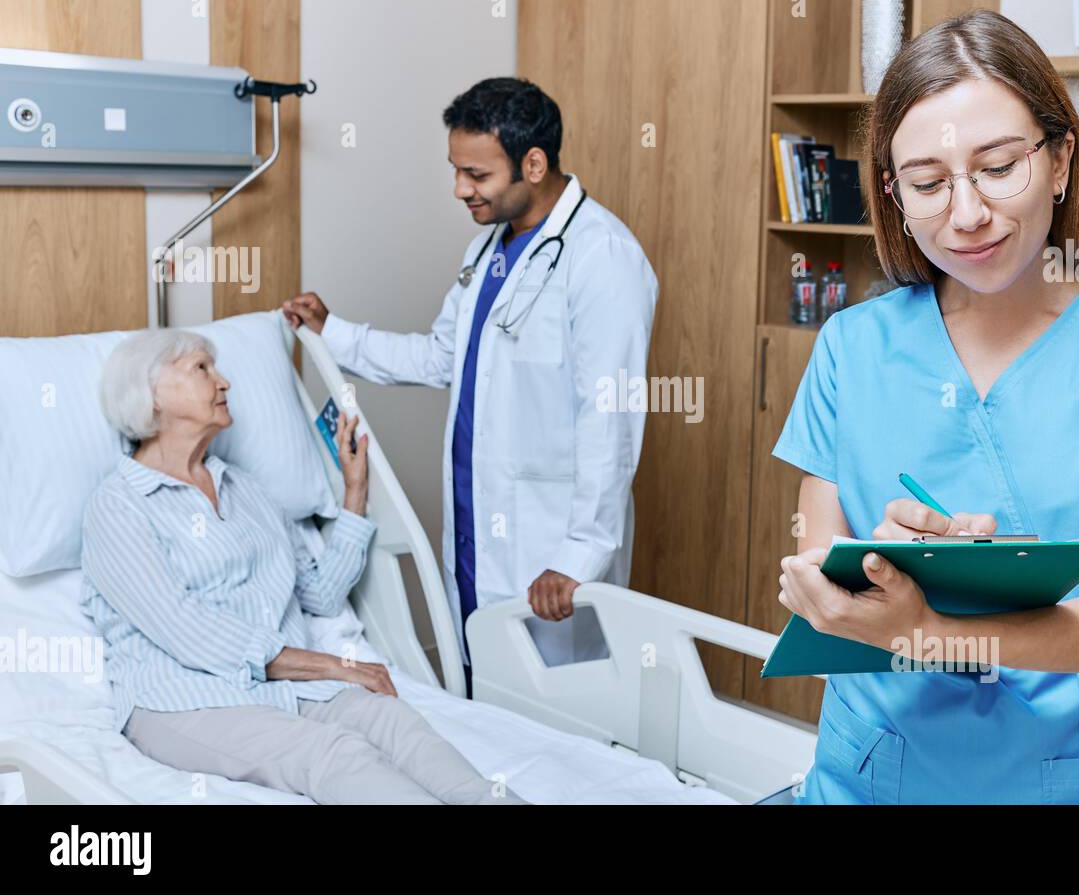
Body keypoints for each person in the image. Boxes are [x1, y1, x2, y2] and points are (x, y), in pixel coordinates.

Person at [772, 9, 1079, 804]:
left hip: (1072, 776)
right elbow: (822, 610)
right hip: (872, 774)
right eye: (927, 183)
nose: (965, 214)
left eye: (998, 167)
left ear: (1061, 158)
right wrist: (872, 576)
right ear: (893, 192)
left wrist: (931, 628)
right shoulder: (849, 348)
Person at [283, 78, 657, 684]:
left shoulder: (601, 256)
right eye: (456, 171)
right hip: (477, 519)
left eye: (477, 175)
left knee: (561, 711)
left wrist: (579, 555)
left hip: (549, 539)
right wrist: (335, 334)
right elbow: (441, 358)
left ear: (533, 164)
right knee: (487, 694)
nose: (461, 189)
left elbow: (610, 416)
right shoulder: (488, 250)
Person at [81, 328, 525, 804]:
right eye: (201, 369)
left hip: (285, 687)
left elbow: (317, 594)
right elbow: (184, 626)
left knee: (393, 721)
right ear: (151, 396)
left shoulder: (247, 492)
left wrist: (355, 494)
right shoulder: (117, 506)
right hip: (183, 700)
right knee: (336, 754)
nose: (224, 382)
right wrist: (329, 665)